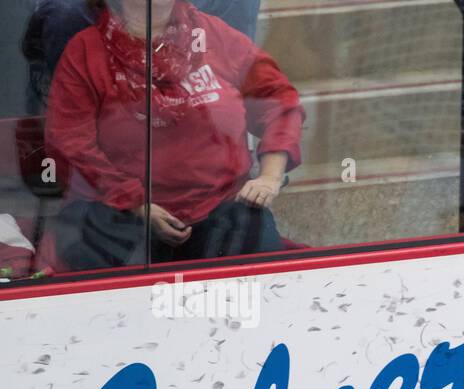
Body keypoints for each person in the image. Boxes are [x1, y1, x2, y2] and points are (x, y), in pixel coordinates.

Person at [44, 0, 302, 271]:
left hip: (223, 212)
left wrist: (269, 177)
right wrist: (135, 204)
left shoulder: (213, 35)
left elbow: (277, 99)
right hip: (121, 220)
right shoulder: (85, 51)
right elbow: (69, 141)